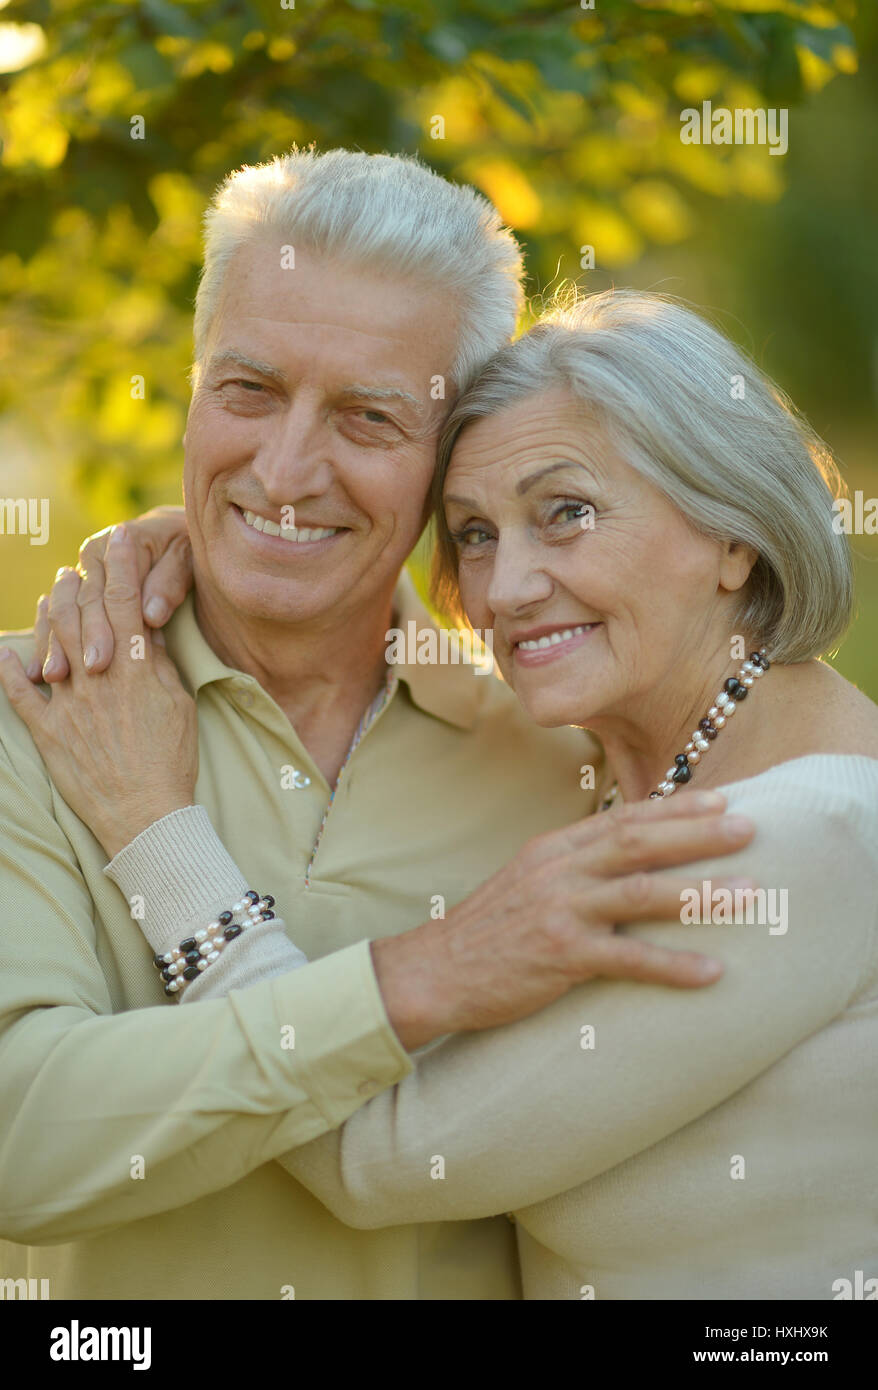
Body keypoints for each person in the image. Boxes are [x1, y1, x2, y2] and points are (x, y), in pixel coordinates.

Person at [23, 288, 878, 1300]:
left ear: (730, 532)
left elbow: (379, 1156)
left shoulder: (806, 836)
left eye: (566, 513)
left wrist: (153, 829)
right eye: (473, 534)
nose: (506, 587)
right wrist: (237, 540)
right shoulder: (619, 774)